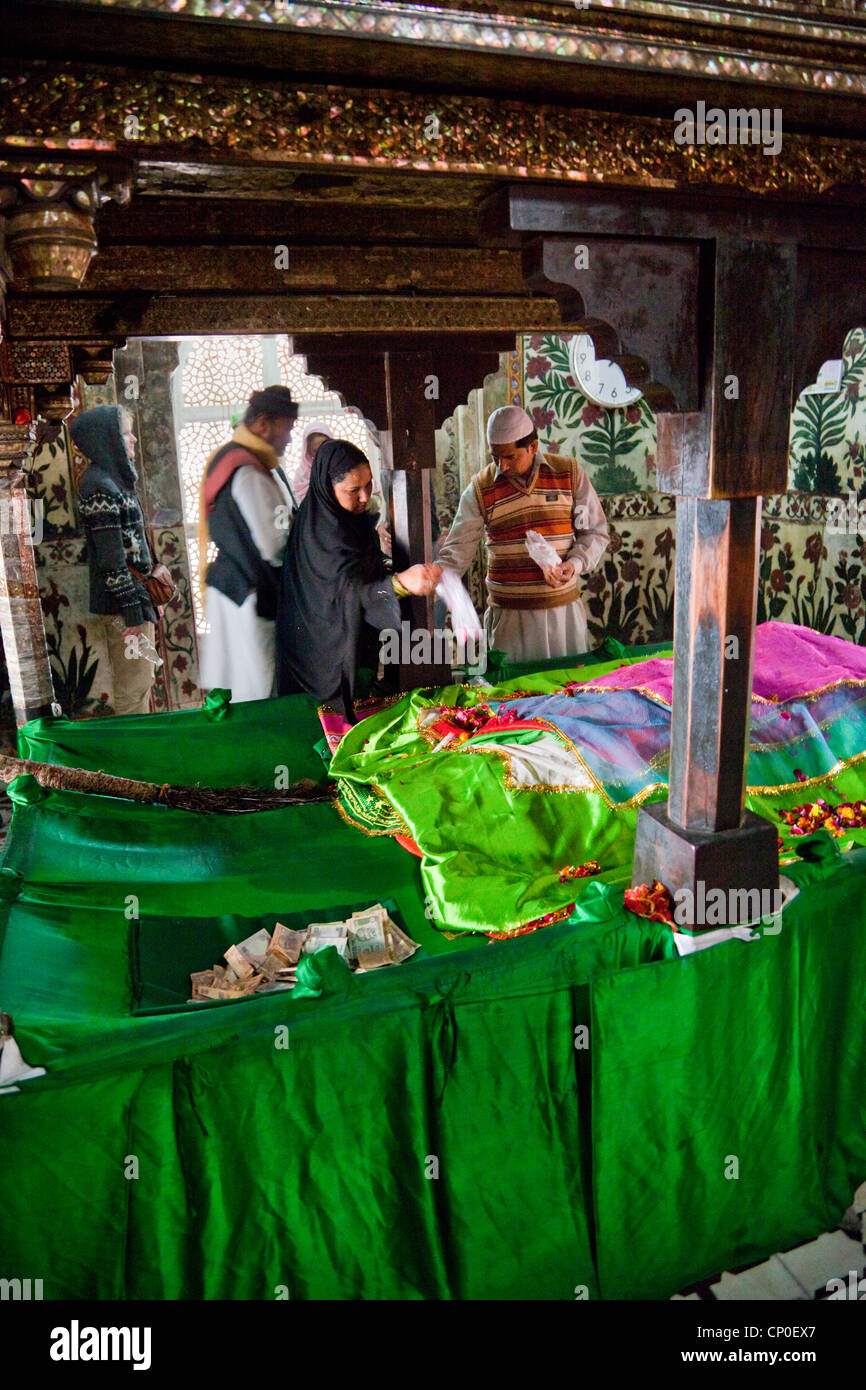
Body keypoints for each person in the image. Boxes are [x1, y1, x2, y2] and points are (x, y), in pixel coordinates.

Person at [432, 403, 609, 664]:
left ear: (533, 447)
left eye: (510, 457)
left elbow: (594, 532)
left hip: (563, 615)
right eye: (495, 457)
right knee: (512, 689)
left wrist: (574, 564)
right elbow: (457, 550)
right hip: (509, 621)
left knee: (569, 685)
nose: (502, 466)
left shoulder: (568, 474)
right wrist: (432, 580)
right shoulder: (480, 489)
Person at [276, 438, 438, 719]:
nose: (364, 497)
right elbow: (347, 595)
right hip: (320, 660)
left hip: (353, 649)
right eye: (353, 490)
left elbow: (358, 573)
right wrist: (400, 583)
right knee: (326, 729)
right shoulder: (322, 534)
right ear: (328, 488)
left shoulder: (346, 520)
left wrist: (383, 561)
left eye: (368, 485)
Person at [71, 404, 173, 717]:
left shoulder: (114, 480)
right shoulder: (99, 486)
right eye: (126, 434)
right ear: (107, 440)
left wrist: (147, 602)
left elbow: (134, 548)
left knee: (142, 681)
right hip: (123, 607)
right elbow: (111, 561)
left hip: (136, 602)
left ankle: (142, 746)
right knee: (133, 688)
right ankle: (135, 750)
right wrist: (132, 615)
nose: (134, 440)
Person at [199, 385, 298, 703]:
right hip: (250, 595)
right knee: (259, 694)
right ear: (264, 424)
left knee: (240, 692)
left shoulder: (231, 458)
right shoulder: (250, 471)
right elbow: (274, 547)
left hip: (232, 589)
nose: (289, 438)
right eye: (287, 428)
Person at [290, 420, 334, 504]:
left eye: (324, 449)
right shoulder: (302, 474)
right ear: (308, 450)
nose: (320, 454)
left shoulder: (339, 468)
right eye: (315, 451)